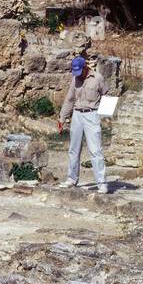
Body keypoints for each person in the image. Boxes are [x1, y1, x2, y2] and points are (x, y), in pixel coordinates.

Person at [58, 55, 109, 192]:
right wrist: (62, 117)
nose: (78, 75)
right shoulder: (75, 79)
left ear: (85, 67)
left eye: (80, 71)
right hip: (77, 115)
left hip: (92, 114)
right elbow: (69, 99)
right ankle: (71, 178)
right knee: (73, 149)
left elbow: (106, 94)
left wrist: (105, 114)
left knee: (95, 150)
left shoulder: (97, 78)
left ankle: (102, 182)